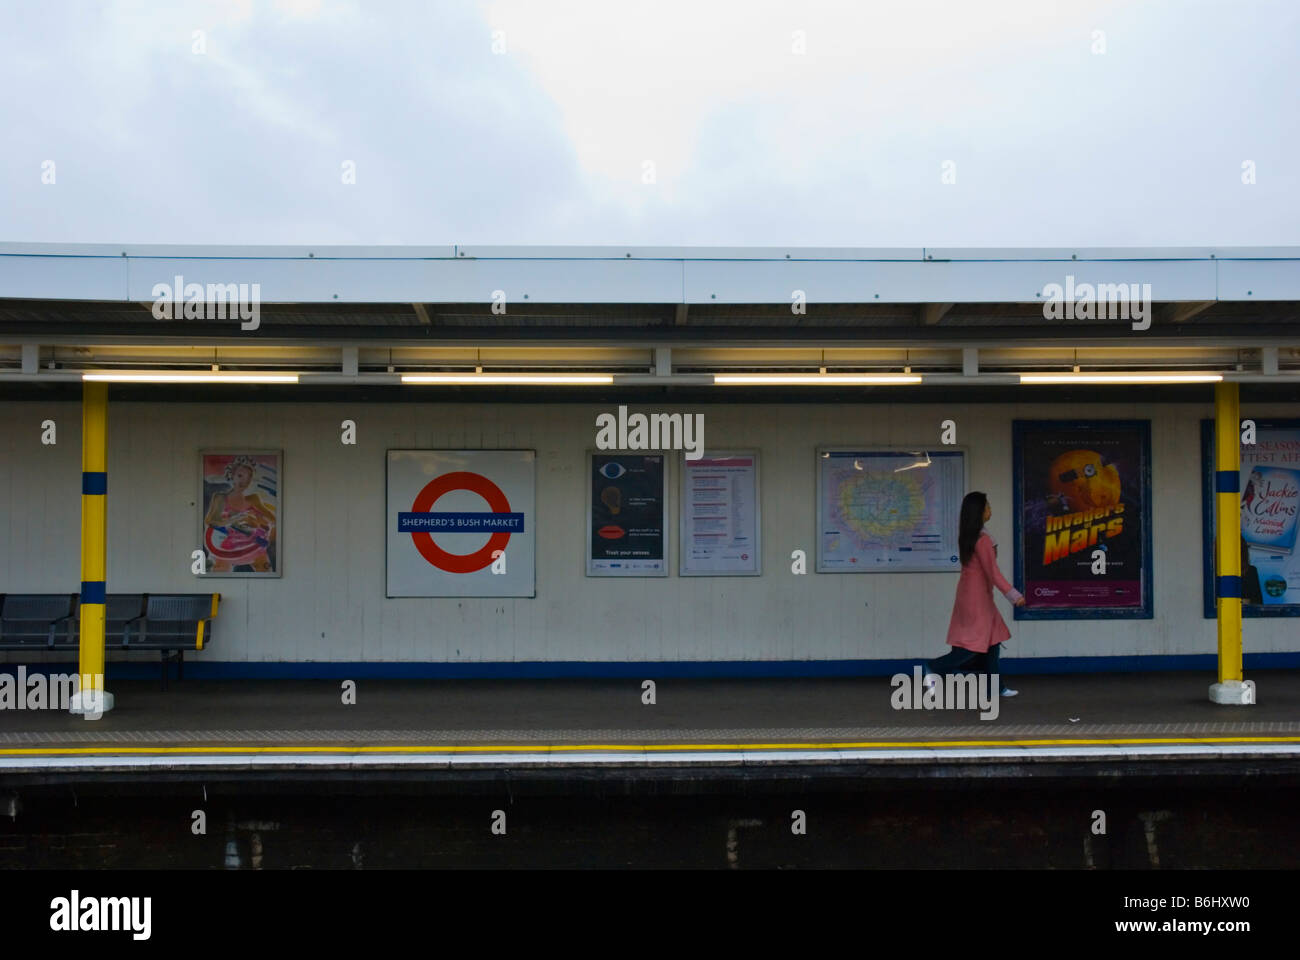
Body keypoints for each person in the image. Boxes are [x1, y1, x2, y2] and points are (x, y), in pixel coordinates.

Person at [924, 491, 1025, 697]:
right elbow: (993, 572)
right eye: (987, 506)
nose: (990, 510)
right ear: (978, 511)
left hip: (972, 596)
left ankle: (996, 688)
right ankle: (934, 667)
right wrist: (1014, 595)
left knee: (993, 643)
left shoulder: (971, 536)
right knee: (973, 646)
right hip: (977, 600)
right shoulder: (983, 540)